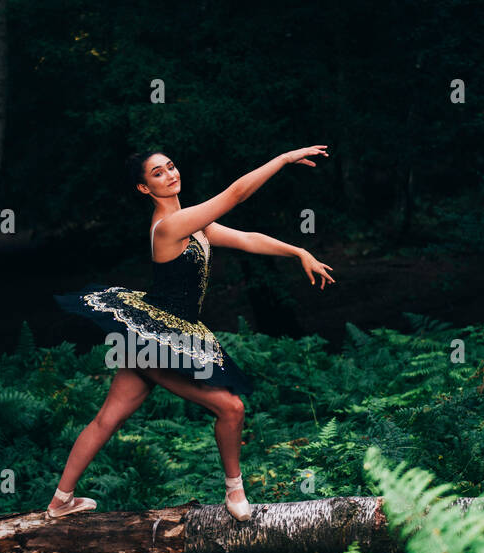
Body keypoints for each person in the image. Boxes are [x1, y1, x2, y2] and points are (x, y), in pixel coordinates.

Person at [48, 145, 335, 522]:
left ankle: (59, 502)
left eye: (170, 167)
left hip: (157, 331)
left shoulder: (193, 222)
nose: (170, 175)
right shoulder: (169, 226)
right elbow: (235, 194)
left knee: (107, 419)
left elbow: (248, 239)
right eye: (157, 173)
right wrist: (282, 160)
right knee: (231, 407)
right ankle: (235, 492)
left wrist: (298, 250)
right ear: (144, 189)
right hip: (158, 336)